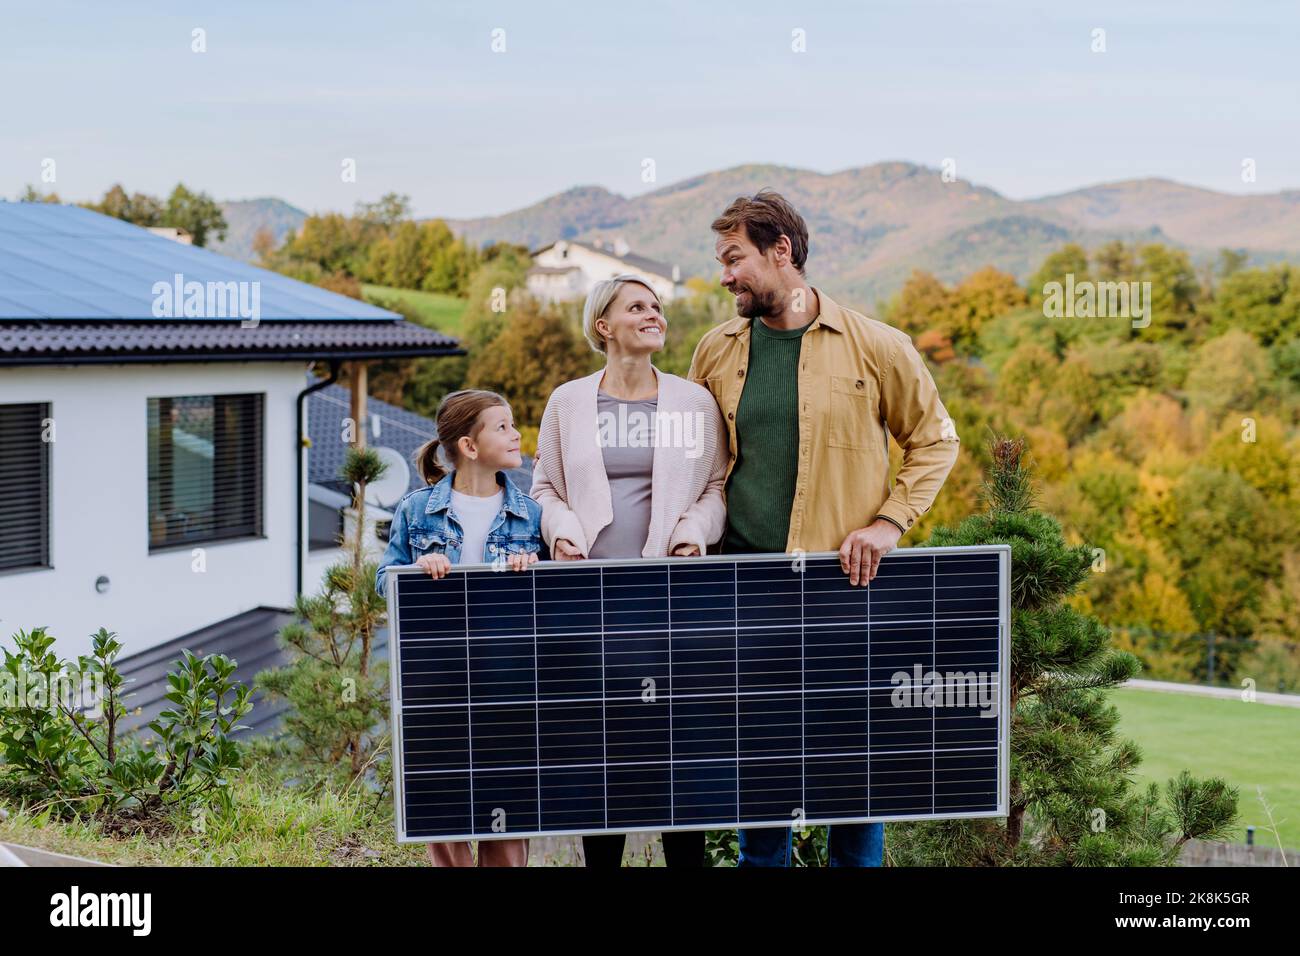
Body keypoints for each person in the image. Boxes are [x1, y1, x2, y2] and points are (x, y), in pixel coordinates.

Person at [687, 189, 960, 867]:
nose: (725, 276)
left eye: (734, 258)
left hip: (848, 591)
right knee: (765, 775)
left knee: (855, 776)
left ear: (782, 252)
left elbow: (936, 441)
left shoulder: (878, 346)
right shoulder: (714, 352)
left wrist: (891, 524)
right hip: (745, 592)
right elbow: (693, 465)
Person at [531, 273, 729, 867]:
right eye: (637, 306)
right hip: (591, 605)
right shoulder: (569, 401)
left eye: (657, 306)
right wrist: (562, 531)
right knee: (605, 754)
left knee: (677, 754)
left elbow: (715, 487)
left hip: (670, 603)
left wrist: (694, 533)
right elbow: (543, 488)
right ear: (603, 326)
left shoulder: (690, 401)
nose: (654, 314)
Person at [375, 388, 544, 867]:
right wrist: (416, 570)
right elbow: (383, 580)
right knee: (445, 806)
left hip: (505, 680)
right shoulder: (415, 510)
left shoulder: (529, 514)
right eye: (504, 426)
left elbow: (551, 602)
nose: (516, 435)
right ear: (469, 446)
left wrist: (530, 568)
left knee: (505, 803)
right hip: (439, 681)